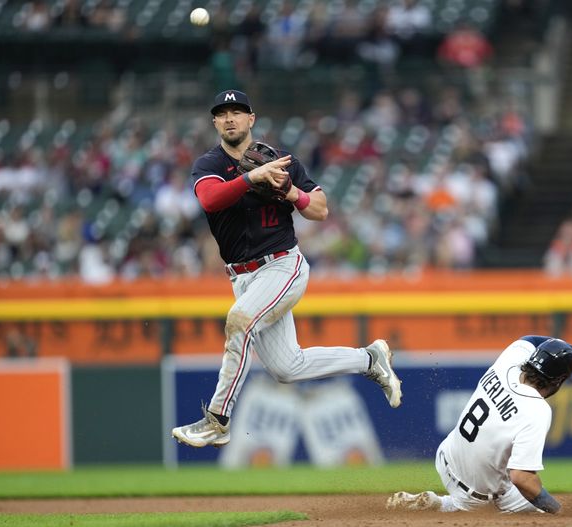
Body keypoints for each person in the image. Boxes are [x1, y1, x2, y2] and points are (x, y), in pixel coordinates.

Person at [171, 90, 403, 448]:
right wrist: (252, 178)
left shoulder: (280, 161)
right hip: (241, 275)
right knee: (286, 368)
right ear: (215, 122)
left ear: (251, 119)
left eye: (237, 112)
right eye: (222, 113)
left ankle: (217, 420)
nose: (230, 118)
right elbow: (210, 200)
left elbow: (320, 209)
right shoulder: (209, 164)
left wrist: (291, 191)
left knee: (240, 321)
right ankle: (369, 359)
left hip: (282, 265)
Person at [387, 336, 572, 514]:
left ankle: (441, 501)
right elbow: (522, 478)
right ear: (558, 382)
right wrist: (558, 512)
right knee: (542, 510)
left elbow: (530, 339)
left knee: (502, 478)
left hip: (445, 457)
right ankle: (444, 505)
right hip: (475, 495)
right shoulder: (536, 410)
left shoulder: (510, 360)